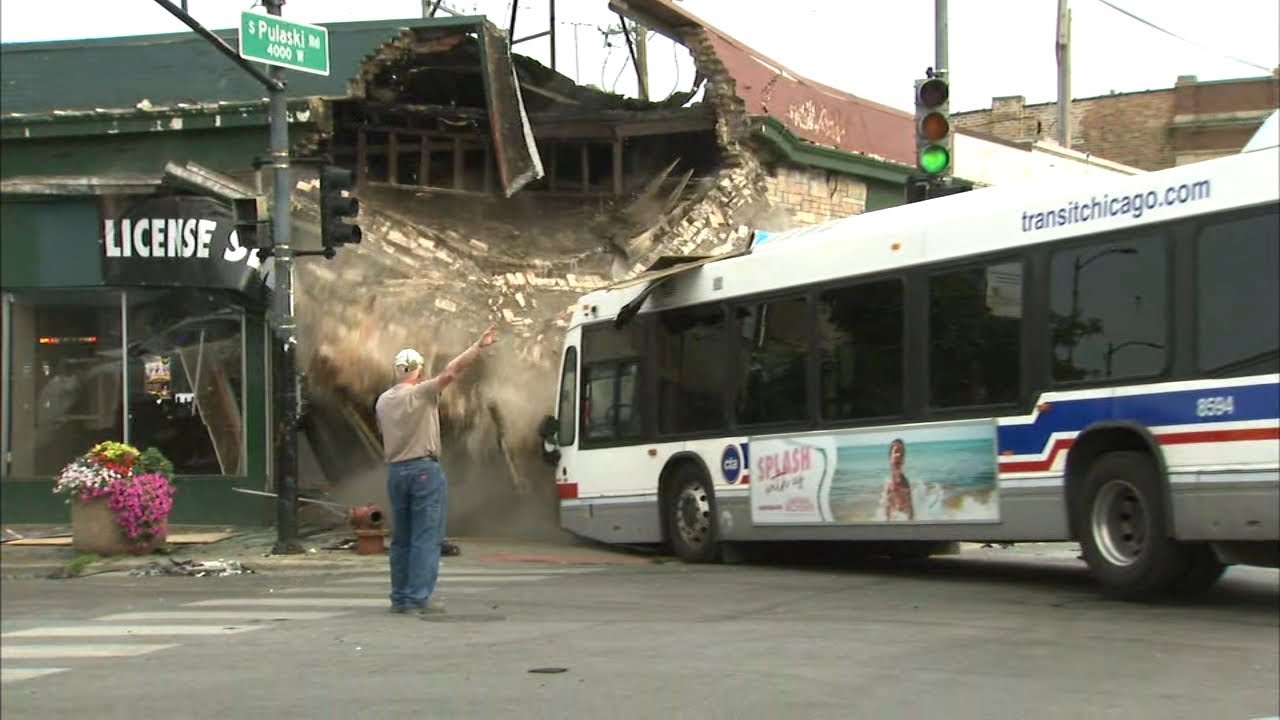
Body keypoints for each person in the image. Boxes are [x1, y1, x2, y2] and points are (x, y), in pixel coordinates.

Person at [375, 326, 497, 614]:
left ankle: (400, 598)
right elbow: (451, 371)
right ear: (418, 369)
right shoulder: (421, 392)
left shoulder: (382, 401)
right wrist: (478, 346)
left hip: (396, 472)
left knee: (401, 539)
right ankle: (419, 598)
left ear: (396, 370)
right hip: (423, 471)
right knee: (425, 537)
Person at [879, 438, 915, 521]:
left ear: (903, 461)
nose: (899, 455)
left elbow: (910, 509)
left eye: (902, 455)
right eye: (896, 452)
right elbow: (886, 509)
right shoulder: (888, 483)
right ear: (889, 458)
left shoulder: (905, 483)